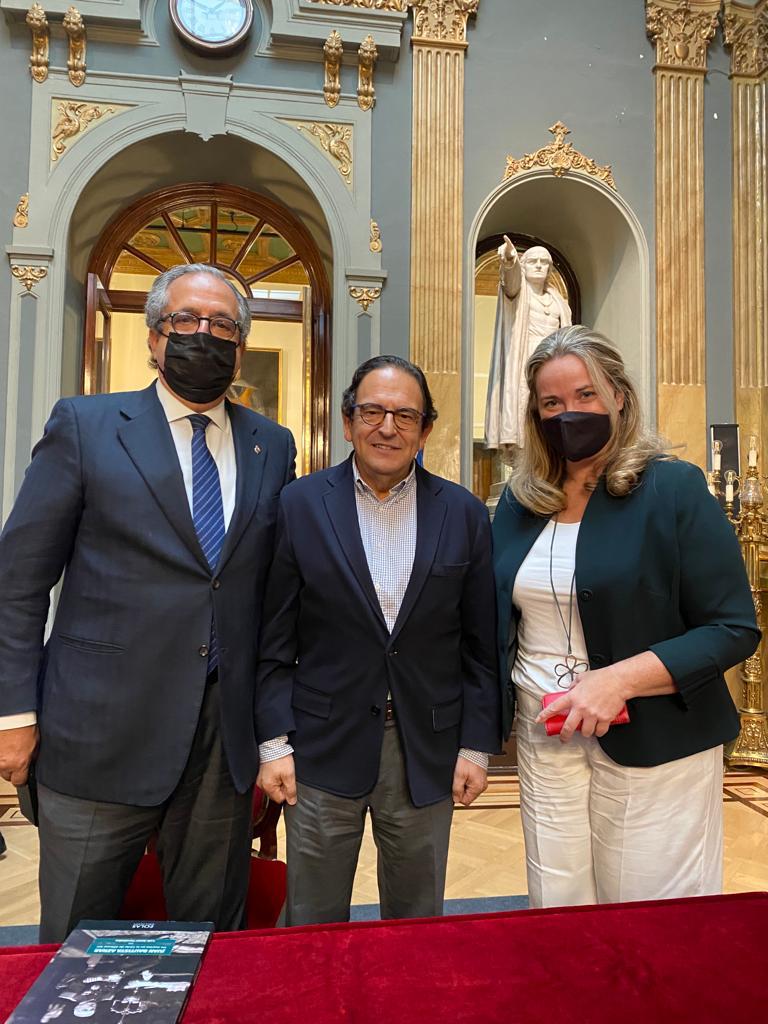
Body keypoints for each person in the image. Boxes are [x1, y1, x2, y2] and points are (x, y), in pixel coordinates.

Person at [0, 263, 296, 941]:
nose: (204, 335)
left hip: (221, 745)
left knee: (207, 942)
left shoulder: (271, 445)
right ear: (153, 337)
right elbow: (18, 581)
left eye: (222, 325)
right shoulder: (85, 425)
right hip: (98, 735)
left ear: (241, 345)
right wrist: (13, 712)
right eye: (186, 321)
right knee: (79, 947)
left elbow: (269, 596)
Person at [492, 325, 759, 908]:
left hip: (655, 736)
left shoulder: (672, 489)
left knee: (646, 915)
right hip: (547, 738)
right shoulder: (521, 500)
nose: (570, 413)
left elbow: (733, 626)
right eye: (552, 403)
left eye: (586, 395)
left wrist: (618, 680)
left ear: (619, 396)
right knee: (557, 908)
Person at [256, 355, 500, 925]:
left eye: (405, 416)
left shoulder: (462, 513)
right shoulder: (299, 506)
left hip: (426, 751)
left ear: (425, 431)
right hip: (319, 747)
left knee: (416, 918)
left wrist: (474, 746)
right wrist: (273, 743)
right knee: (311, 917)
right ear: (347, 422)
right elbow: (272, 638)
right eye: (372, 412)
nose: (387, 427)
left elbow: (480, 645)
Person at [485, 237, 571, 452]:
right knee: (525, 406)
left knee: (554, 404)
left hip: (555, 361)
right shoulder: (519, 292)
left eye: (544, 262)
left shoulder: (558, 300)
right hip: (525, 358)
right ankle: (526, 454)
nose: (540, 265)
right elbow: (511, 280)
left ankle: (551, 449)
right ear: (524, 266)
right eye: (533, 261)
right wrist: (510, 261)